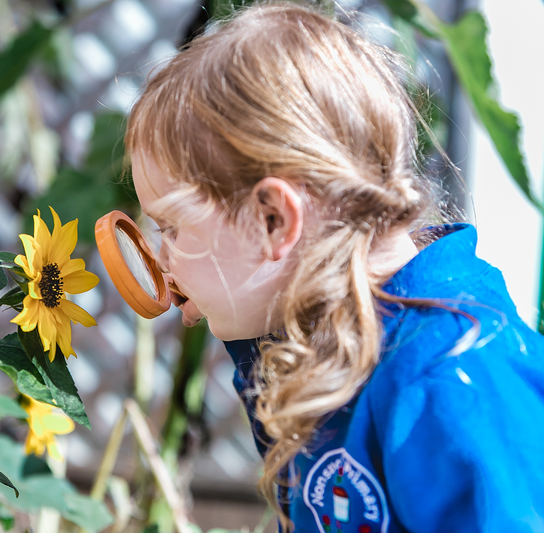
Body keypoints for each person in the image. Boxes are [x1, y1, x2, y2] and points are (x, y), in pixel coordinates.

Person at [125, 3, 544, 532]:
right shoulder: (328, 345)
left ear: (274, 220)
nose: (162, 260)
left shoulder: (450, 381)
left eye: (172, 229)